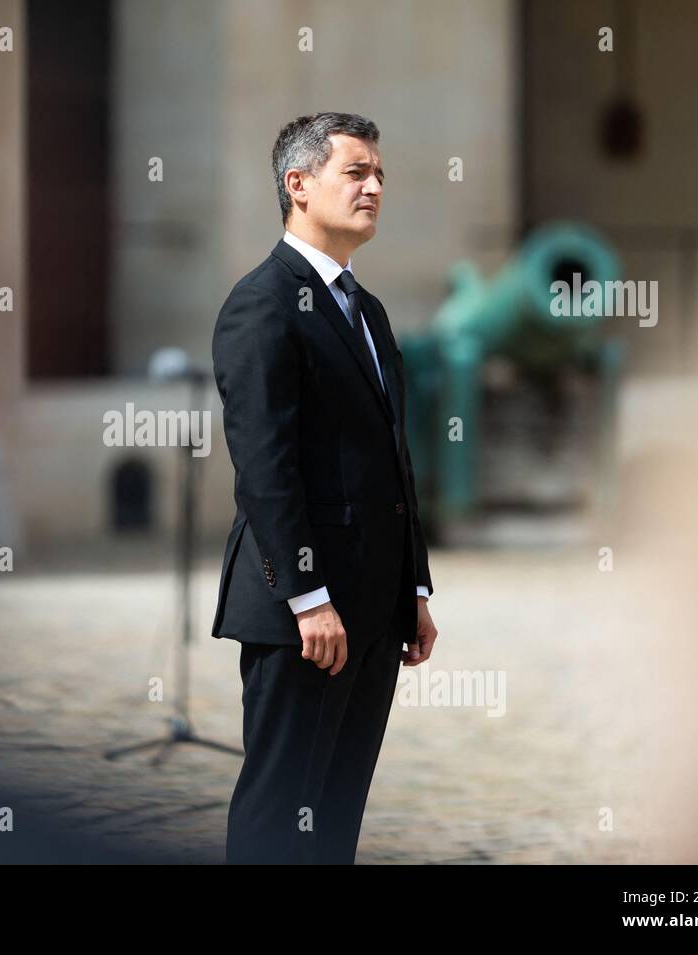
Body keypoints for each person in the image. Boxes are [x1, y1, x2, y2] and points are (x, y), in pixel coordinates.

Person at [211, 111, 439, 864]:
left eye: (380, 175)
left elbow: (391, 459)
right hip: (303, 617)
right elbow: (266, 467)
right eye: (356, 172)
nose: (374, 187)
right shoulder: (261, 303)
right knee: (281, 813)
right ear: (298, 184)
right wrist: (307, 596)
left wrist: (416, 588)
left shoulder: (365, 311)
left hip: (373, 615)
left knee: (335, 819)